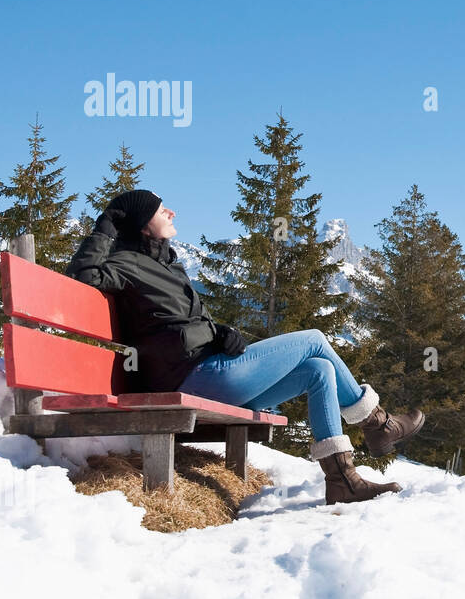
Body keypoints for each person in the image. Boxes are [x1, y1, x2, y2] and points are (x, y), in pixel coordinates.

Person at [65, 189, 424, 504]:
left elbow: (170, 325)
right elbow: (81, 276)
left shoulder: (166, 265)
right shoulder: (126, 264)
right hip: (193, 377)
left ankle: (343, 480)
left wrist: (218, 333)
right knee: (314, 339)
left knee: (319, 370)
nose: (171, 213)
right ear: (144, 225)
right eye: (162, 210)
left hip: (207, 371)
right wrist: (107, 223)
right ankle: (378, 424)